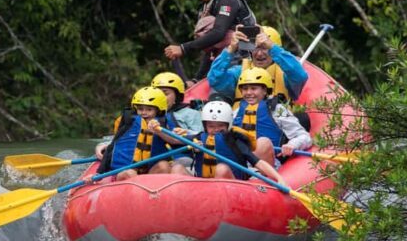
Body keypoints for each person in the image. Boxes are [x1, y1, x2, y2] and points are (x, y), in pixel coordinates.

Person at [163, 0, 255, 86]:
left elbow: (218, 33)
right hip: (223, 62)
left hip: (246, 61)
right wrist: (197, 79)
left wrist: (183, 48)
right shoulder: (205, 8)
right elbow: (211, 49)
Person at [153, 100, 283, 183]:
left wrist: (278, 178)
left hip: (233, 186)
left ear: (228, 125)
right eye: (211, 126)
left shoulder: (234, 140)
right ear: (205, 126)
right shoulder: (198, 138)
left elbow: (257, 162)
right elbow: (174, 140)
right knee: (177, 168)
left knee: (221, 169)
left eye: (220, 125)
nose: (215, 130)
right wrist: (158, 131)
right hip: (202, 187)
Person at [232, 67, 312, 166]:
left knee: (262, 143)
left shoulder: (278, 110)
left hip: (268, 164)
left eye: (253, 88)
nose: (248, 93)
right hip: (241, 164)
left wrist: (292, 145)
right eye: (245, 89)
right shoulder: (236, 113)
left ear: (265, 90)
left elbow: (304, 137)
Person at [208, 25, 308, 102]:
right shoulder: (239, 72)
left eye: (264, 48)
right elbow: (215, 79)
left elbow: (300, 76)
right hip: (242, 125)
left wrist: (273, 48)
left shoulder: (285, 75)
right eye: (255, 48)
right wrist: (231, 49)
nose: (259, 54)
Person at [94, 87, 173, 181]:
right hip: (124, 171)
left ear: (159, 110)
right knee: (130, 173)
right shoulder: (127, 122)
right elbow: (116, 141)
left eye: (149, 109)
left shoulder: (164, 124)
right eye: (140, 109)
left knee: (164, 166)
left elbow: (175, 141)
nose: (144, 113)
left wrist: (159, 132)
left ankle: (151, 191)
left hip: (148, 173)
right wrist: (102, 146)